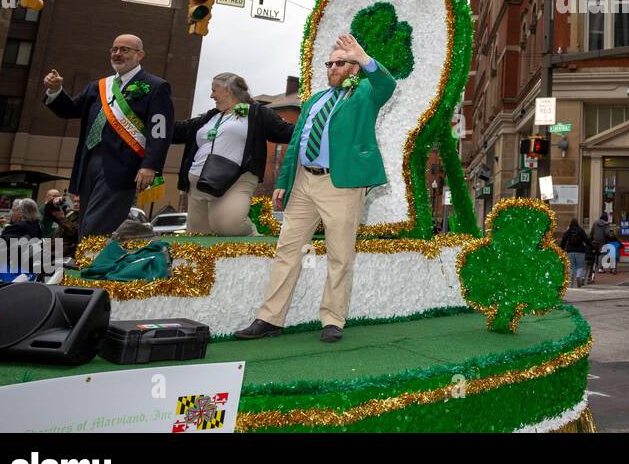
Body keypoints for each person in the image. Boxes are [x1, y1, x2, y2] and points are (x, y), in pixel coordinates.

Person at [236, 34, 395, 343]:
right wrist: (283, 182)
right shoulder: (313, 100)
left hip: (341, 184)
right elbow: (296, 142)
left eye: (340, 63)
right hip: (304, 183)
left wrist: (364, 58)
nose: (332, 68)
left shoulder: (364, 93)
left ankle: (333, 320)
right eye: (330, 63)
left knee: (340, 254)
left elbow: (386, 86)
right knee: (287, 250)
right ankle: (270, 318)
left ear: (353, 68)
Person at [43, 34, 174, 239]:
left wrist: (150, 165)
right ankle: (91, 264)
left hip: (123, 165)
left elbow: (160, 132)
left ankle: (89, 263)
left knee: (97, 223)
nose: (117, 54)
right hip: (89, 162)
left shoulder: (155, 87)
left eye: (124, 50)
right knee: (85, 219)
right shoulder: (98, 87)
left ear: (140, 55)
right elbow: (70, 110)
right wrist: (55, 90)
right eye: (114, 49)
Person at [173, 73, 295, 236]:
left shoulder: (255, 113)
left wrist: (313, 122)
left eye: (214, 90)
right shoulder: (212, 116)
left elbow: (285, 132)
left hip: (236, 181)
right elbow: (180, 131)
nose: (211, 95)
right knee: (198, 237)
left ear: (228, 90)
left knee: (228, 224)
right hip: (197, 183)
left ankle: (254, 238)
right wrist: (153, 117)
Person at [560, 218, 590, 287]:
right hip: (580, 251)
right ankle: (579, 276)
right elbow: (586, 240)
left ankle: (571, 284)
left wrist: (561, 249)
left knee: (571, 267)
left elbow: (563, 241)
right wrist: (591, 247)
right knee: (581, 266)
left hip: (570, 251)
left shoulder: (568, 231)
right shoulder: (581, 230)